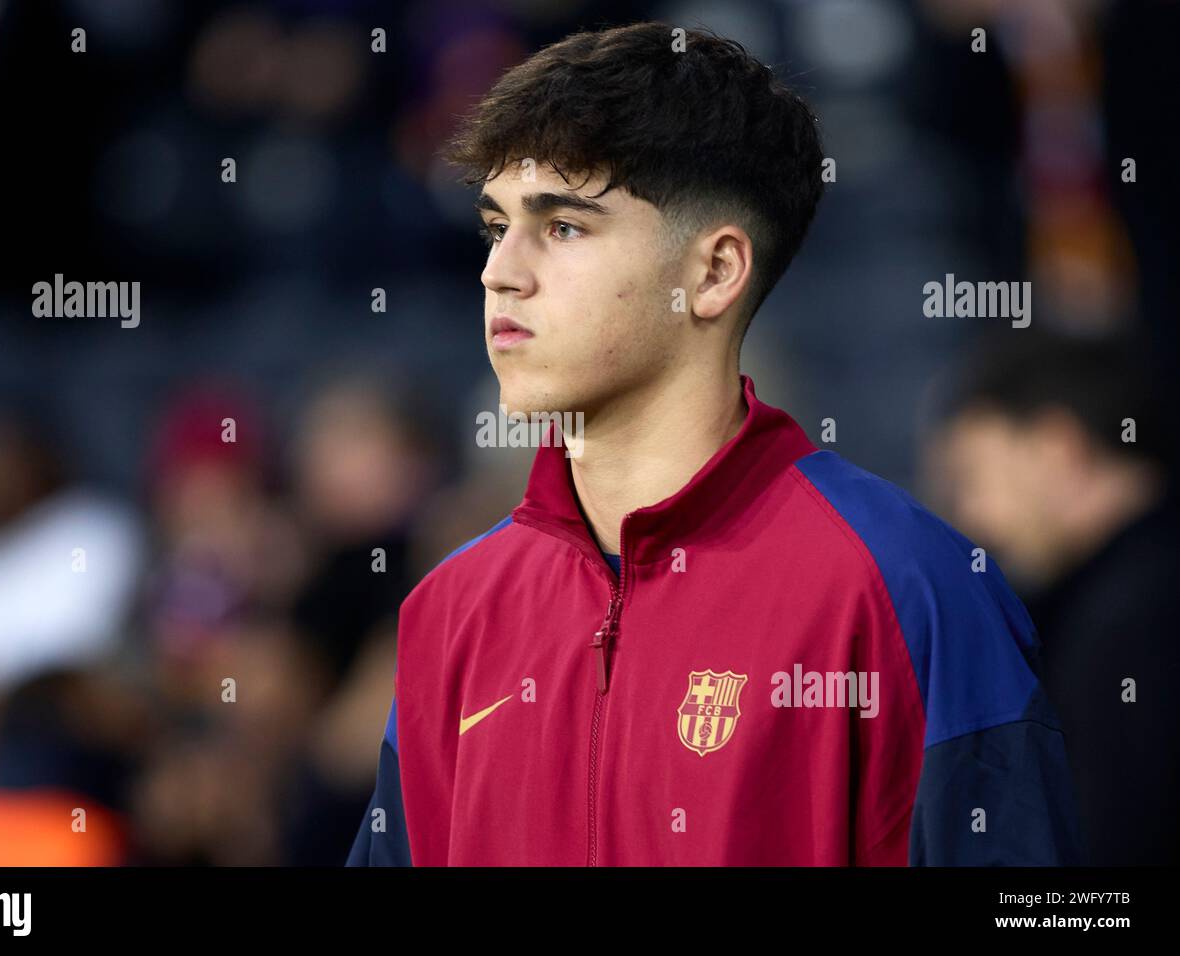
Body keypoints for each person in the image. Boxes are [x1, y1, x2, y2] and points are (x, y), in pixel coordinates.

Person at [347, 22, 1080, 866]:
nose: (500, 272)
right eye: (495, 226)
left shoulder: (910, 589)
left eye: (562, 227)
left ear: (714, 273)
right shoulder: (450, 612)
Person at [934, 332, 1179, 865]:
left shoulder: (1131, 622)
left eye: (973, 480)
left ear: (1057, 450)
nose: (972, 521)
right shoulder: (1117, 599)